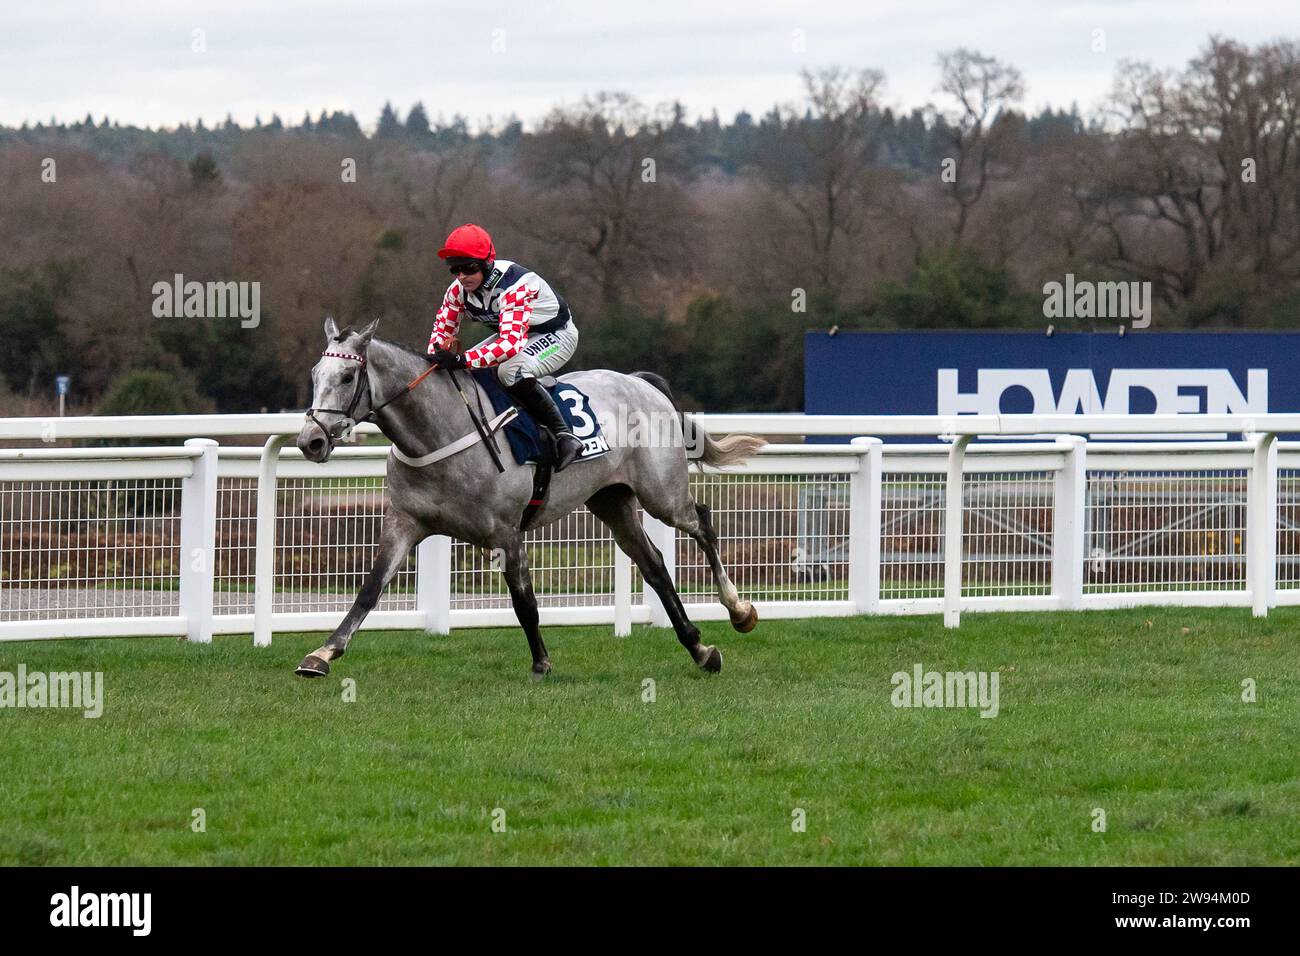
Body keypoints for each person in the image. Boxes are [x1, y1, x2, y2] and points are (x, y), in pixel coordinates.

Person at [427, 223, 585, 471]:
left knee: (510, 371)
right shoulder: (457, 290)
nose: (462, 276)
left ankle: (565, 435)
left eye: (468, 268)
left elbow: (510, 346)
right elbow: (442, 330)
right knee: (470, 371)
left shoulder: (515, 286)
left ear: (487, 264)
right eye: (454, 270)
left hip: (556, 335)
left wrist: (460, 359)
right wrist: (437, 356)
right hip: (519, 335)